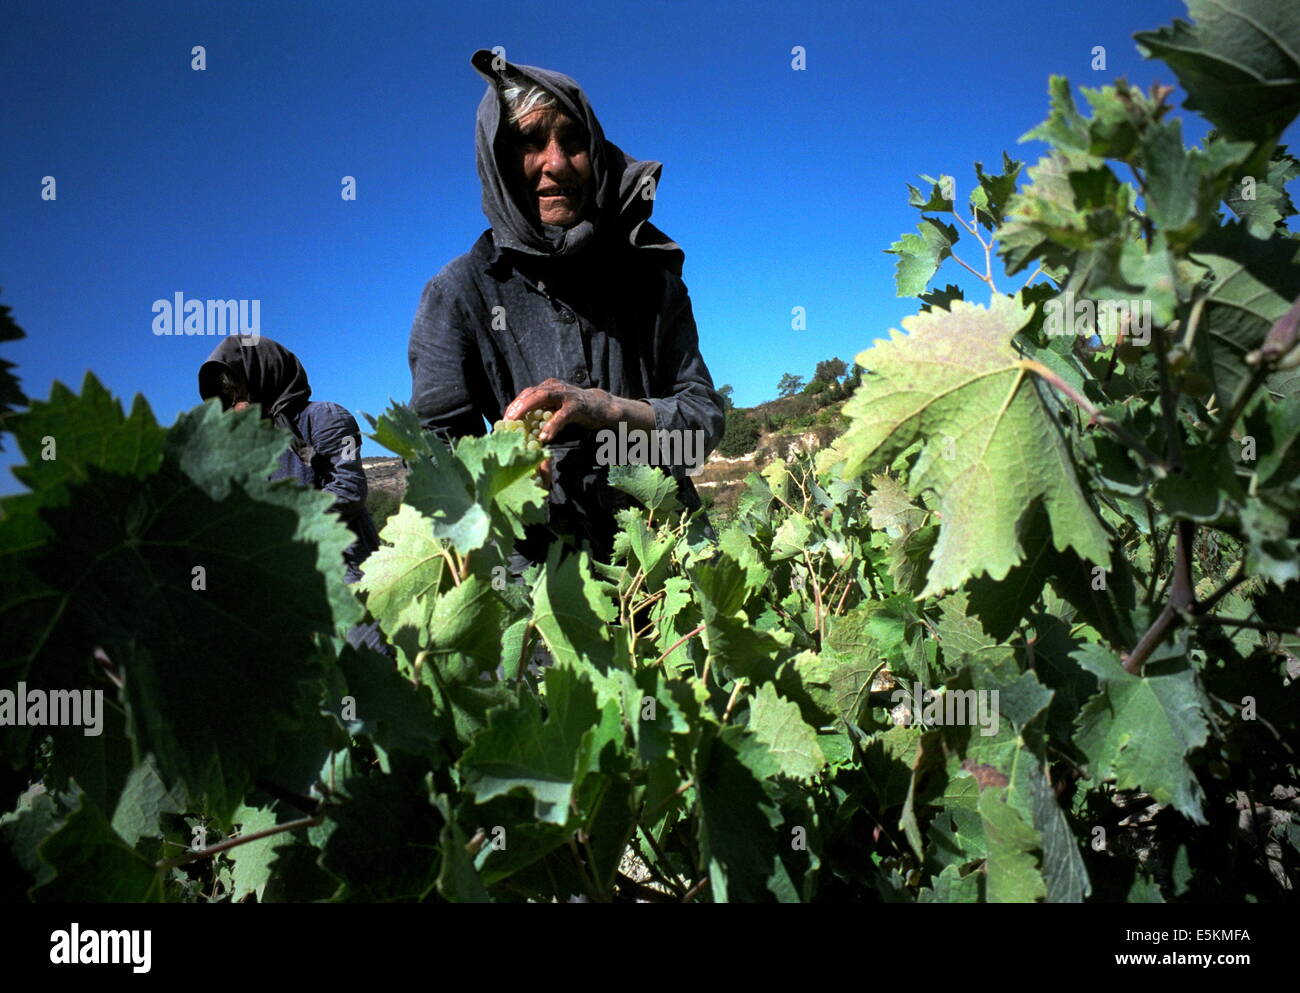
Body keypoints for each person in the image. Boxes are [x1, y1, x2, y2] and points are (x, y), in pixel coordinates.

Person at [407, 50, 726, 569]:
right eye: (529, 143)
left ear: (595, 153)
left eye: (573, 141)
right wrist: (498, 474)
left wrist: (611, 411)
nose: (555, 162)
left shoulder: (649, 280)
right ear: (498, 161)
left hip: (668, 557)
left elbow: (699, 433)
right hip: (541, 586)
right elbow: (434, 456)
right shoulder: (460, 294)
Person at [197, 335, 391, 656]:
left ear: (263, 377)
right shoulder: (250, 452)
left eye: (238, 395)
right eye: (226, 402)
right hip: (290, 591)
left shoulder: (323, 417)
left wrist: (281, 533)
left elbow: (348, 489)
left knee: (377, 673)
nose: (235, 408)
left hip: (349, 575)